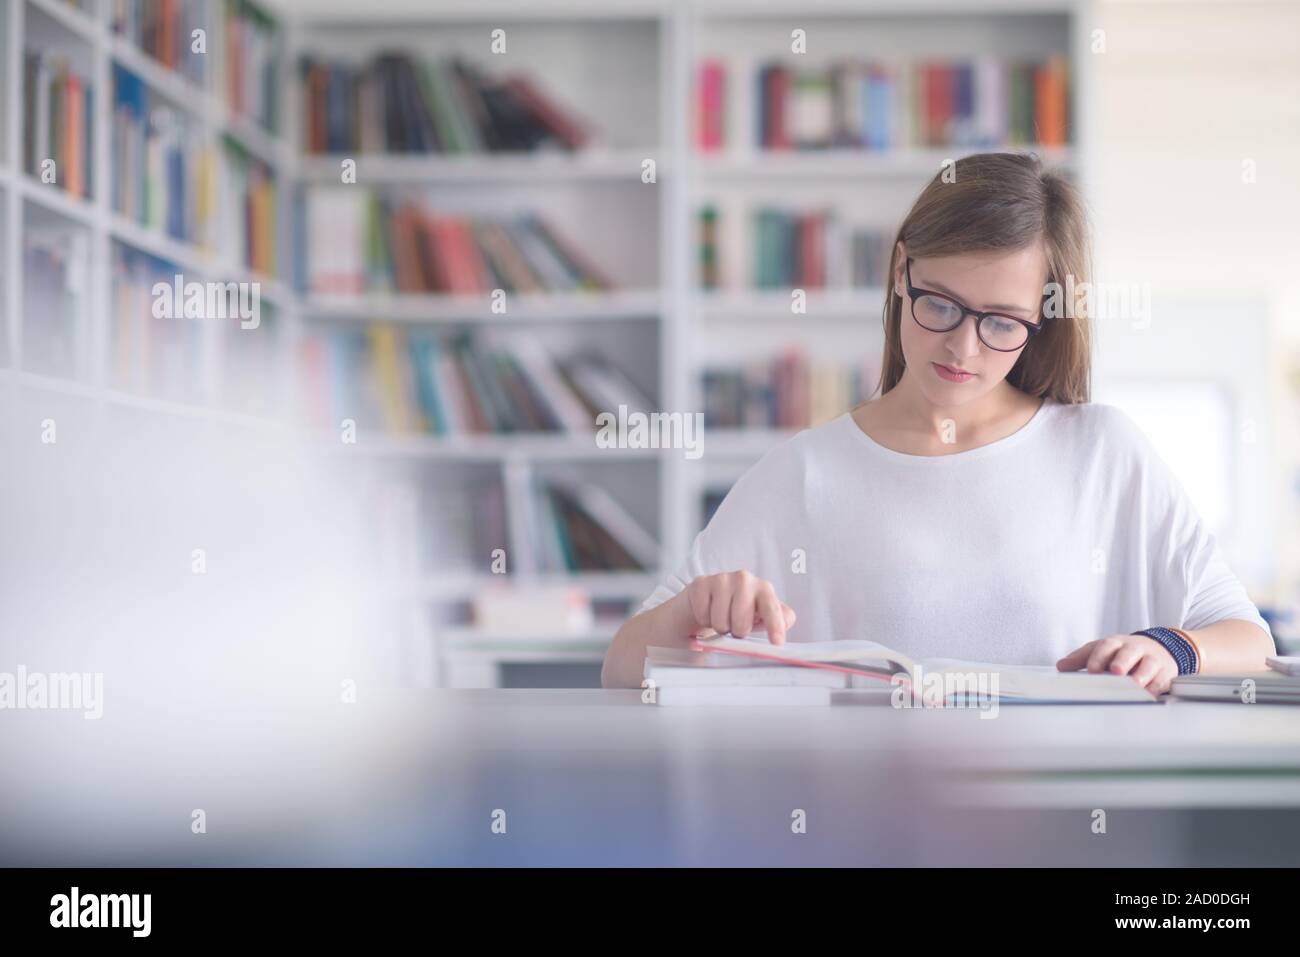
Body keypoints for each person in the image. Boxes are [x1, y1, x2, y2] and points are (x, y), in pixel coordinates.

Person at [602, 152, 1274, 691]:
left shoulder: (1103, 452)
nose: (964, 348)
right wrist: (693, 611)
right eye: (942, 304)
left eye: (1001, 322)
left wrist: (1172, 648)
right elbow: (621, 666)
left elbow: (1248, 639)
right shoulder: (803, 473)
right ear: (901, 272)